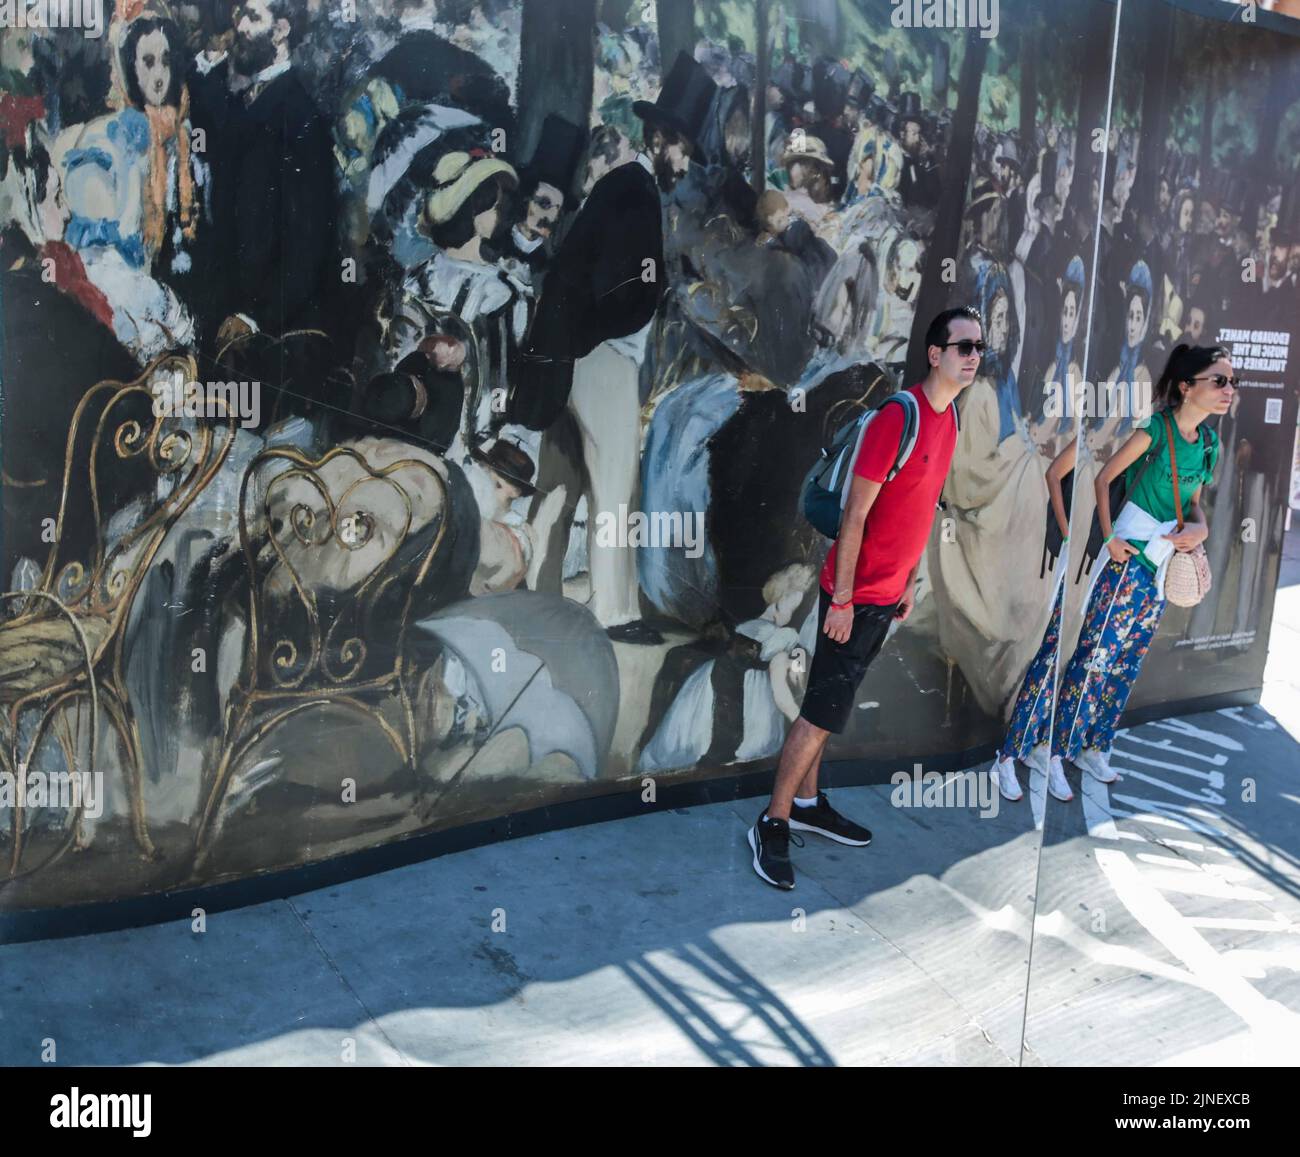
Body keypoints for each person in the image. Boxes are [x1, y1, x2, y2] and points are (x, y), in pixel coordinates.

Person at [747, 307, 980, 890]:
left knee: (828, 711)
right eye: (962, 347)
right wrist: (846, 599)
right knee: (820, 713)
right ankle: (772, 821)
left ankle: (807, 803)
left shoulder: (949, 421)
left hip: (884, 595)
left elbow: (920, 509)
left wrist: (905, 584)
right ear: (934, 353)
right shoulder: (898, 417)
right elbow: (854, 517)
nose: (974, 356)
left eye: (980, 349)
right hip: (852, 596)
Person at [1049, 344, 1231, 788]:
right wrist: (1110, 538)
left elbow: (1193, 506)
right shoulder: (1155, 428)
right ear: (1187, 387)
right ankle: (1056, 751)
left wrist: (1201, 531)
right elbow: (1104, 477)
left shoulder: (1208, 444)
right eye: (1220, 380)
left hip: (1161, 567)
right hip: (1128, 561)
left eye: (1233, 383)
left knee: (1127, 660)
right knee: (1095, 655)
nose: (1229, 390)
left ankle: (1096, 746)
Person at [990, 438, 1076, 803]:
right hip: (1062, 558)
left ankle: (1042, 747)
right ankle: (1008, 755)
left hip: (1096, 558)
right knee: (1047, 658)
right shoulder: (1095, 430)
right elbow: (1054, 473)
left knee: (1071, 664)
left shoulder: (1132, 425)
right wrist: (1069, 531)